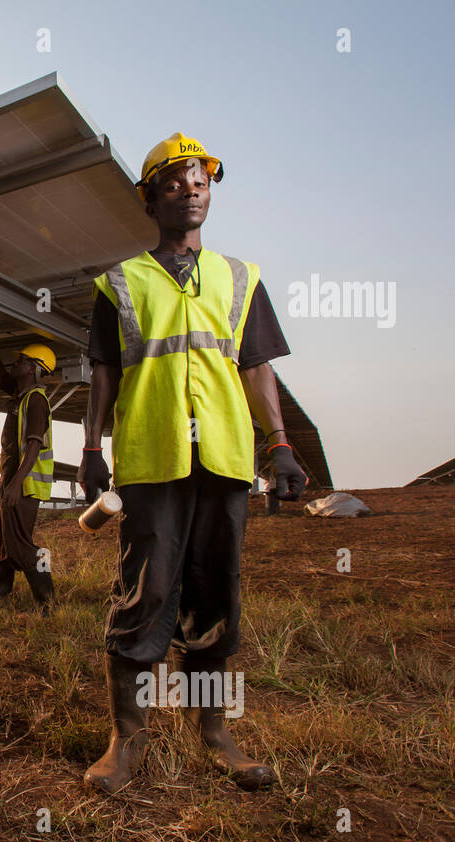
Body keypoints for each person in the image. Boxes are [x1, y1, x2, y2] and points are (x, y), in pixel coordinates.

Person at [79, 133, 307, 793]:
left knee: (216, 597)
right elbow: (103, 373)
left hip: (226, 459)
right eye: (176, 182)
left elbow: (256, 366)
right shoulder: (120, 281)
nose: (192, 191)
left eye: (202, 181)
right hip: (151, 462)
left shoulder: (242, 279)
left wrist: (280, 442)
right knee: (144, 595)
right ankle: (126, 743)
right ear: (151, 198)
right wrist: (92, 447)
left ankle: (217, 736)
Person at [0, 316, 57, 613]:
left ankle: (47, 599)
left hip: (23, 485)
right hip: (11, 481)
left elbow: (34, 445)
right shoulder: (20, 395)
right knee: (4, 540)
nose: (17, 363)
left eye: (22, 360)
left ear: (34, 370)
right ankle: (0, 592)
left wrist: (15, 484)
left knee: (20, 545)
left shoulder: (36, 400)